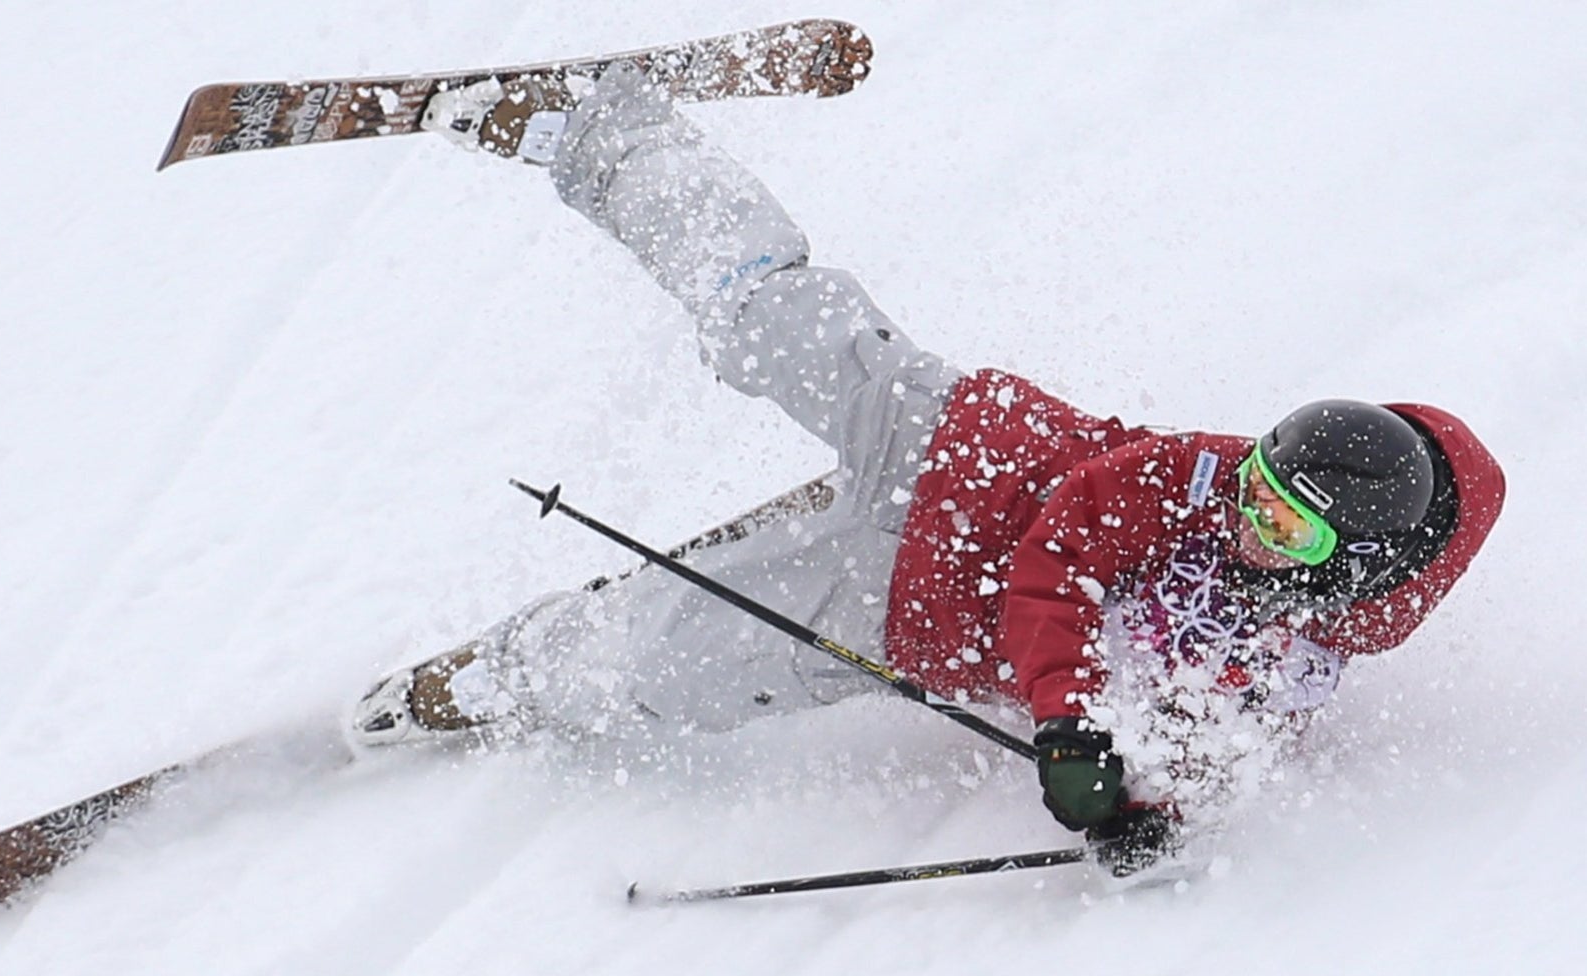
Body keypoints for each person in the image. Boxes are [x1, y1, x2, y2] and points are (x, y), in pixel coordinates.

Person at [348, 66, 1505, 873]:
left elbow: (1185, 774)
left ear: (1347, 568)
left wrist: (1130, 816)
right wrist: (1062, 713)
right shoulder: (1203, 478)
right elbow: (1065, 546)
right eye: (1254, 484)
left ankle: (507, 672)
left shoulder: (1276, 677)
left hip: (899, 606)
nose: (1247, 517)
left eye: (1287, 531)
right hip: (949, 441)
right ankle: (605, 132)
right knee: (766, 313)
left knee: (665, 669)